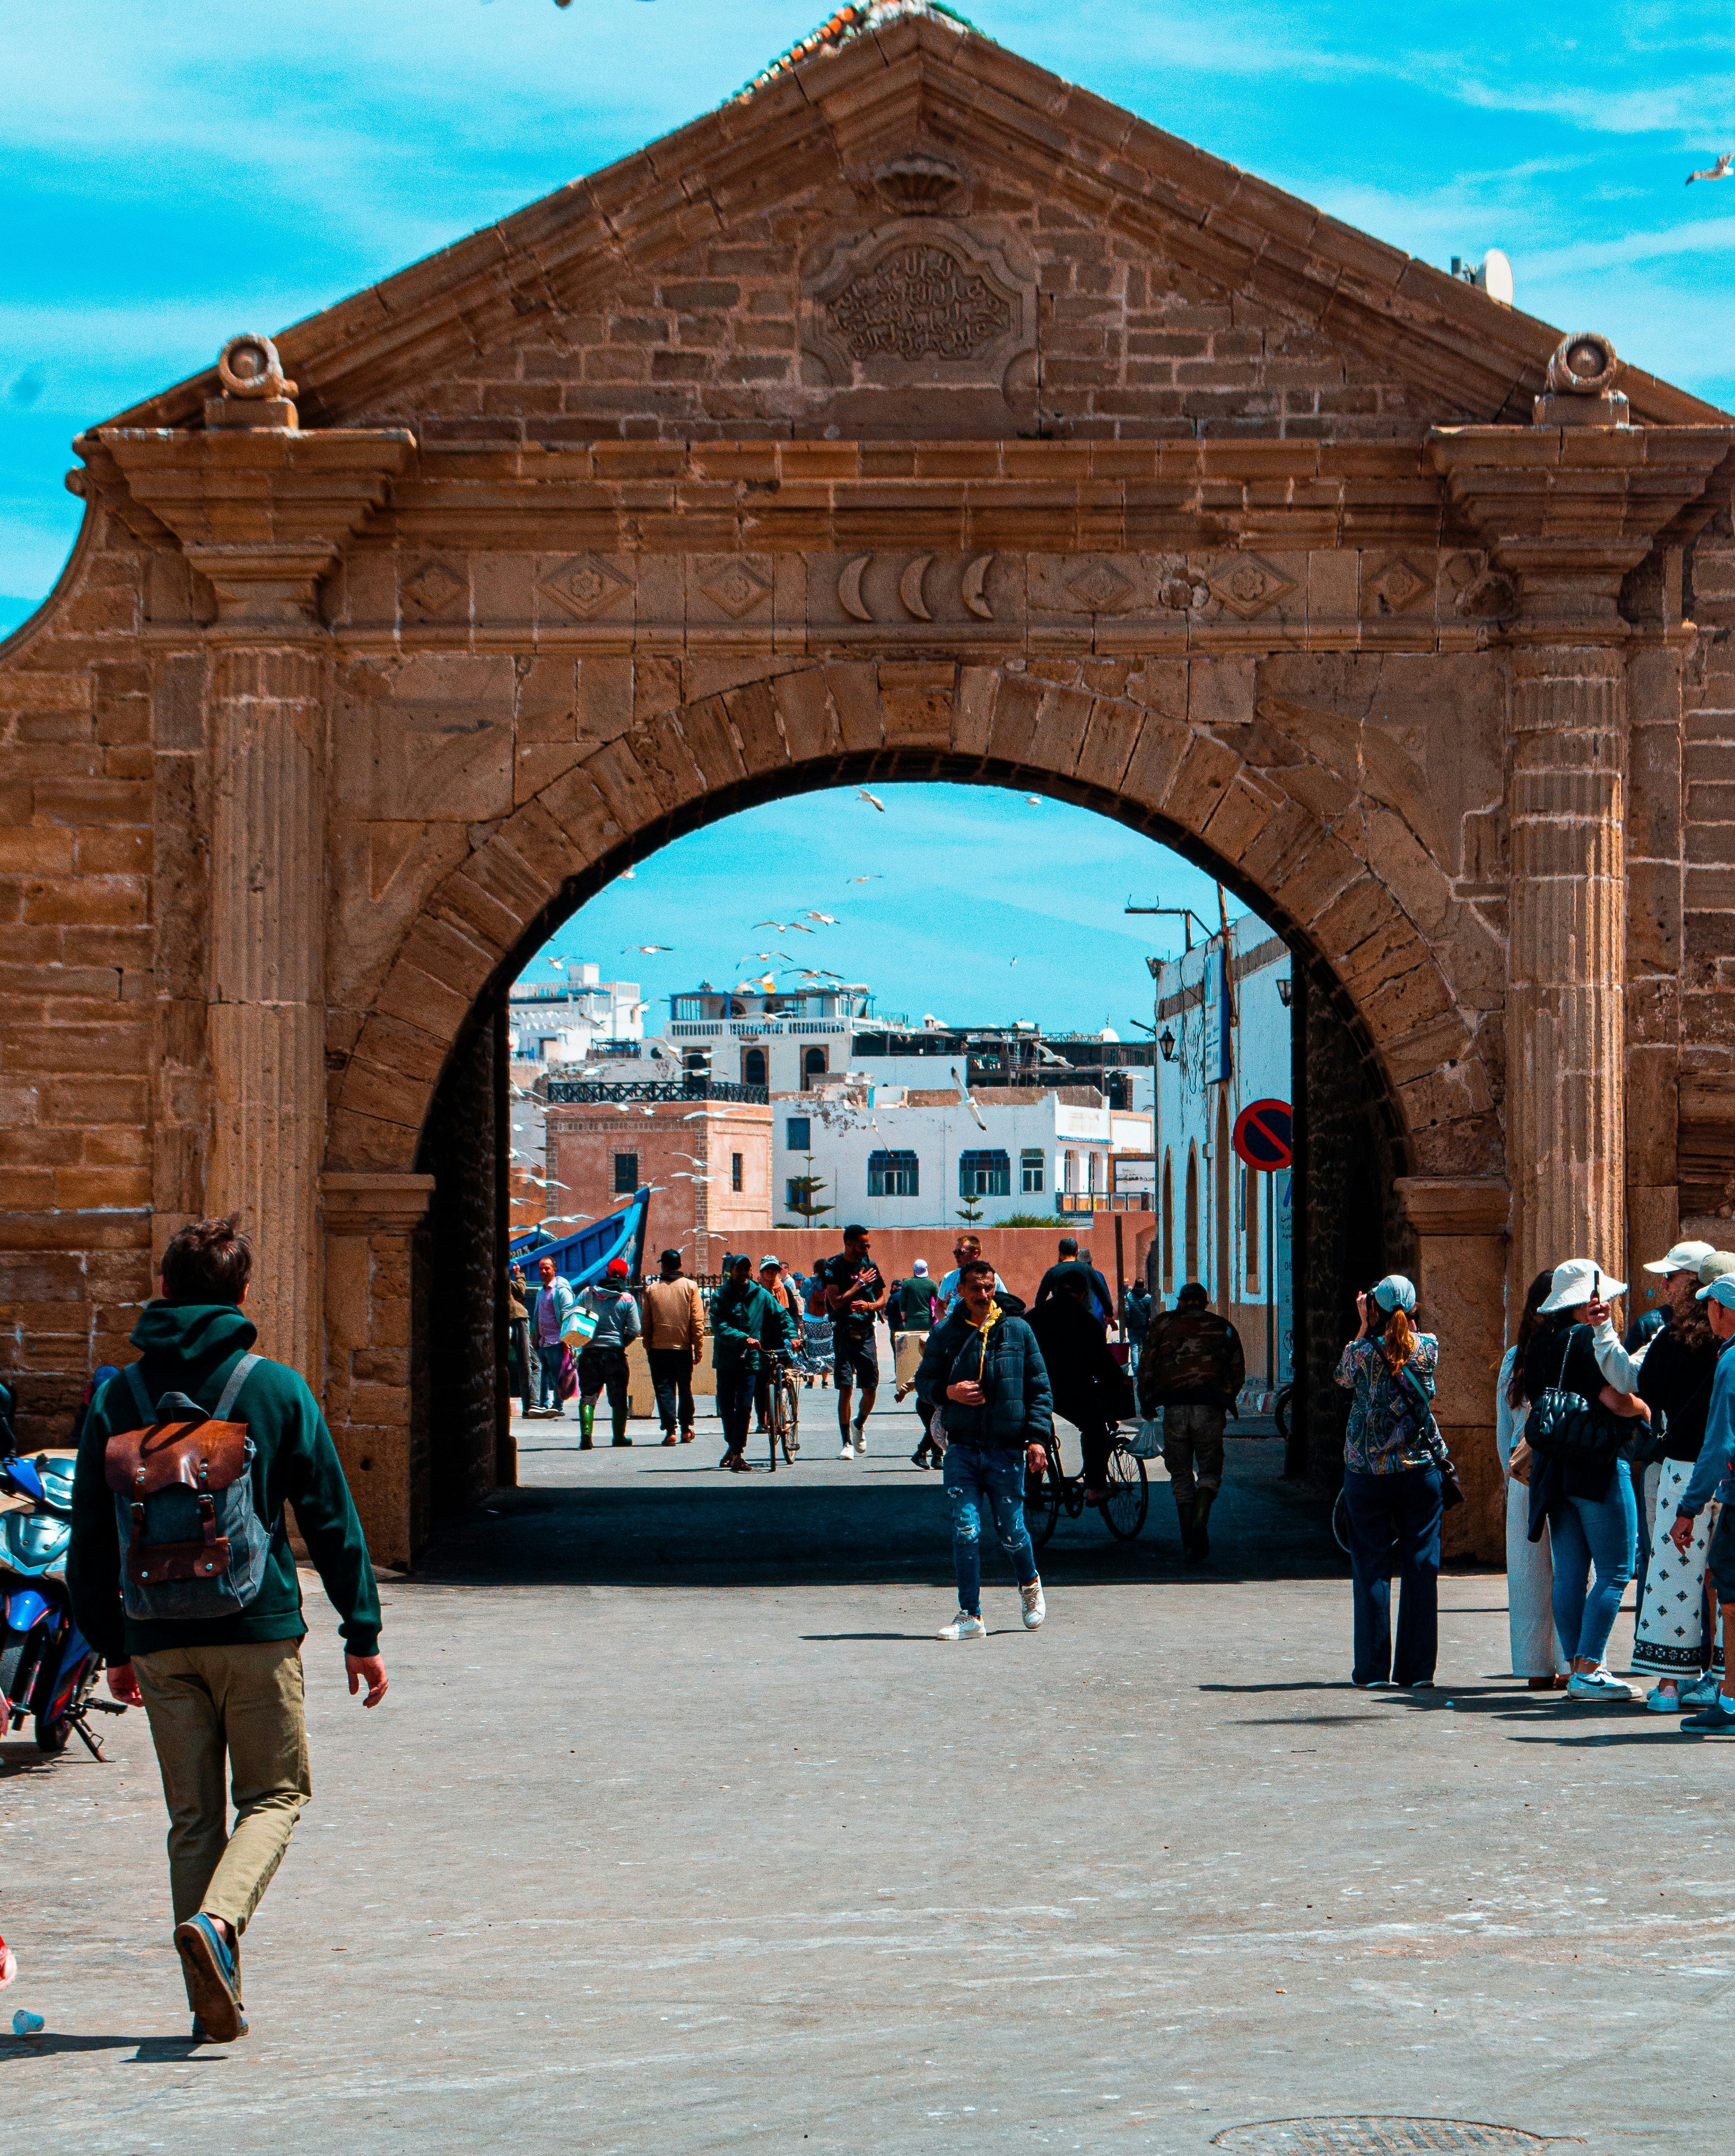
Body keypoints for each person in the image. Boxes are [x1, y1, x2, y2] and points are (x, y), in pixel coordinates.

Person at [66, 1214, 385, 2045]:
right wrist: (362, 1627)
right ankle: (219, 1921)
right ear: (244, 1293)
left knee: (193, 1818)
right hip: (257, 1627)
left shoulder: (117, 1397)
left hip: (157, 1636)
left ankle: (210, 1999)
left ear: (163, 1290)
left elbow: (92, 1535)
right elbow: (330, 1516)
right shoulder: (272, 1388)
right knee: (276, 1794)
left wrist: (111, 1644)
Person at [1585, 1242, 1724, 1711]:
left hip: (1683, 1469)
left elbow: (1630, 1380)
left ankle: (1669, 1685)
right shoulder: (1706, 1341)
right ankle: (1721, 1682)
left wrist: (1605, 1331)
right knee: (1723, 1578)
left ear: (1696, 1282)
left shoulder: (1671, 1337)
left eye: (1673, 1277)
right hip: (1721, 1471)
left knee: (1673, 1573)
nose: (1664, 1285)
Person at [1519, 1258, 1647, 1703]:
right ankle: (1590, 1668)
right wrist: (1646, 1410)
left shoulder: (1539, 1344)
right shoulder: (1584, 1340)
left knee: (1570, 1575)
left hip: (1556, 1470)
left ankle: (1576, 1666)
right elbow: (1615, 1398)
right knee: (1615, 1570)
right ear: (1585, 1302)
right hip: (1597, 1466)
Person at [914, 1256, 1052, 1640]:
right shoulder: (946, 1333)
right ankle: (970, 1615)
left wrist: (1037, 1438)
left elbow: (1040, 1389)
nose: (983, 1294)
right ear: (959, 1290)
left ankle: (1030, 1586)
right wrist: (949, 1392)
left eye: (989, 1287)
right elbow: (924, 1381)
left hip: (1006, 1450)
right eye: (975, 1288)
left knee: (1012, 1532)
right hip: (961, 1448)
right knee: (965, 1530)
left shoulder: (1017, 1331)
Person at [1335, 1274, 1450, 1690]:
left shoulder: (1361, 1353)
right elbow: (1412, 1346)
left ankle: (1371, 1670)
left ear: (1375, 1309)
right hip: (1418, 1469)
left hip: (1367, 1471)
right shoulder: (1429, 1347)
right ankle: (1417, 1671)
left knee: (1371, 1567)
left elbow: (1342, 1377)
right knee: (1422, 1565)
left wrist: (1365, 1325)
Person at [1667, 1269, 1735, 1732]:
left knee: (1731, 1598)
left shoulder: (1730, 1362)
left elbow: (1717, 1446)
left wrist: (1688, 1508)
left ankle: (1731, 1701)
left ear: (1722, 1311)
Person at [1136, 1280, 1245, 1559]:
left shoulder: (1162, 1325)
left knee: (1180, 1473)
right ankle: (1200, 1521)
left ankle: (1188, 1540)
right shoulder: (1224, 1327)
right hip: (1210, 1408)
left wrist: (1146, 1401)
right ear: (1205, 1303)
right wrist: (1226, 1398)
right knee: (1209, 1471)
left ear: (1181, 1302)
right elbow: (1237, 1371)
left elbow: (1146, 1366)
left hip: (1174, 1409)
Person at [1496, 1268, 1567, 1690]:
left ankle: (1533, 1666)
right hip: (1563, 1472)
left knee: (1526, 1574)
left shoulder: (1513, 1359)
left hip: (1524, 1475)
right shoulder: (1568, 1351)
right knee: (1572, 1567)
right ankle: (1569, 1658)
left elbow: (1504, 1430)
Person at [1029, 1269, 1135, 1504]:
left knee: (1037, 1431)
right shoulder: (1086, 1322)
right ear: (1083, 1294)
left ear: (1055, 1291)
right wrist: (1119, 1379)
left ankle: (1031, 1480)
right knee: (1094, 1427)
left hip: (1034, 1388)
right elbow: (1102, 1363)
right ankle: (1096, 1486)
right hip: (1070, 1389)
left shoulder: (1033, 1318)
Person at [712, 1253, 795, 1471]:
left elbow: (781, 1316)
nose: (743, 1273)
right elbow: (719, 1327)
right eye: (739, 1269)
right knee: (727, 1408)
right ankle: (732, 1445)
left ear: (751, 1271)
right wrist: (742, 1339)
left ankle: (738, 1452)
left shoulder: (760, 1295)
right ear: (731, 1271)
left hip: (751, 1361)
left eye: (746, 1269)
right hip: (727, 1360)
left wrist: (791, 1335)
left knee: (746, 1405)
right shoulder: (721, 1296)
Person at [818, 1224, 887, 1459]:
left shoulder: (870, 1265)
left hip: (866, 1332)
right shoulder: (833, 1267)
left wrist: (869, 1306)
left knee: (870, 1388)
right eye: (863, 1244)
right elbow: (836, 1302)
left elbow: (882, 1298)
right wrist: (858, 1285)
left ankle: (859, 1423)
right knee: (845, 1387)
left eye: (868, 1244)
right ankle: (846, 1442)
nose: (867, 1248)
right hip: (844, 1333)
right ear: (849, 1244)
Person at [568, 1258, 642, 1448]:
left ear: (607, 1273)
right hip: (615, 1355)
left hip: (590, 1354)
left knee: (588, 1396)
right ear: (625, 1276)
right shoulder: (627, 1299)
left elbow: (572, 1317)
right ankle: (619, 1437)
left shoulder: (587, 1293)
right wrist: (620, 1344)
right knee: (618, 1398)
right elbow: (634, 1329)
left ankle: (586, 1434)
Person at [642, 1246, 704, 1447]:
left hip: (659, 1349)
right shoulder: (691, 1287)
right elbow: (697, 1320)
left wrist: (648, 1344)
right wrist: (699, 1346)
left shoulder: (652, 1289)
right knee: (684, 1388)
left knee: (664, 1389)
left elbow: (646, 1323)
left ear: (665, 1266)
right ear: (680, 1265)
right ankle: (687, 1428)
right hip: (683, 1349)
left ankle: (670, 1431)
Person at [893, 1259, 943, 1465]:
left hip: (913, 1321)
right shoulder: (932, 1284)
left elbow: (902, 1307)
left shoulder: (907, 1285)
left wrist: (901, 1392)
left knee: (938, 1425)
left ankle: (934, 1456)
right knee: (937, 1425)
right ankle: (927, 1454)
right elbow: (937, 1305)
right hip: (928, 1321)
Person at [755, 1255, 805, 1450]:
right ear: (761, 1272)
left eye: (774, 1269)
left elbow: (792, 1315)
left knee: (783, 1378)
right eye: (767, 1269)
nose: (770, 1273)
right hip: (761, 1341)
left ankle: (783, 1411)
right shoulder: (756, 1292)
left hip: (782, 1341)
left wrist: (793, 1337)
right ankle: (762, 1419)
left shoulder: (784, 1290)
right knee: (761, 1381)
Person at [530, 1254, 575, 1417]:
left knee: (558, 1376)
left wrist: (566, 1340)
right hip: (543, 1341)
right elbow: (538, 1315)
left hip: (557, 1341)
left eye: (546, 1268)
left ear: (554, 1270)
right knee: (542, 1374)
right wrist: (535, 1334)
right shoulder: (540, 1292)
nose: (543, 1271)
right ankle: (542, 1404)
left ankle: (558, 1405)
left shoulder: (561, 1291)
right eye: (541, 1268)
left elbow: (568, 1315)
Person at [1032, 1236, 1111, 1326]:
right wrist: (1109, 1313)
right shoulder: (1087, 1269)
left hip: (1061, 1322)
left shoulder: (1052, 1272)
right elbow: (1103, 1294)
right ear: (1077, 1253)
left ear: (1060, 1253)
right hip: (1085, 1322)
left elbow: (1040, 1299)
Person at [935, 1233, 1010, 1322]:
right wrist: (945, 1322)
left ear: (975, 1254)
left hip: (984, 1324)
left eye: (961, 1252)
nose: (956, 1256)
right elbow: (939, 1306)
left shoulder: (991, 1277)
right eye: (955, 1252)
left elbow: (1006, 1303)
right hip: (955, 1325)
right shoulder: (949, 1278)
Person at [505, 1263, 533, 1420]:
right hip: (517, 1317)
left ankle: (530, 1405)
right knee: (526, 1363)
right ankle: (529, 1406)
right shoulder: (504, 1279)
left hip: (508, 1318)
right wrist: (519, 1275)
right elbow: (521, 1291)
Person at [1123, 1278, 1152, 1374]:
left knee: (1134, 1348)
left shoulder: (1129, 1297)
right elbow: (1150, 1314)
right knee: (1145, 1348)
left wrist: (1128, 1324)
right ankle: (1145, 1368)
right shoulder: (1148, 1298)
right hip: (1144, 1327)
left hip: (1133, 1327)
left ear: (1135, 1285)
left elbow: (1127, 1312)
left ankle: (1136, 1370)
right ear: (1144, 1285)